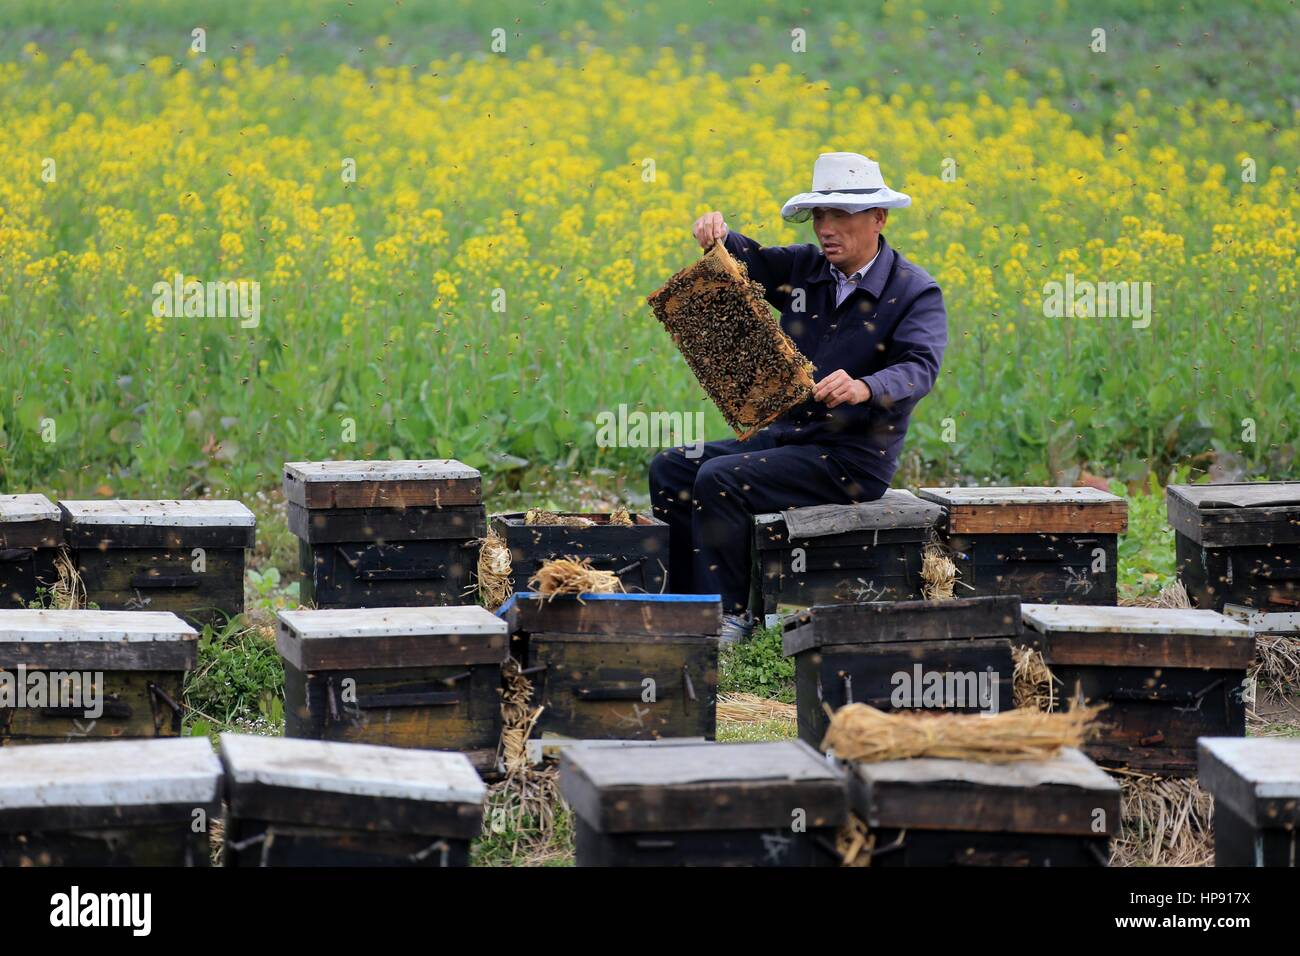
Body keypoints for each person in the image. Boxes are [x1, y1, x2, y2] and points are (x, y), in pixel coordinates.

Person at [648, 151, 948, 642]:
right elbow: (754, 262)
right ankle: (689, 601)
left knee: (721, 477)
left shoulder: (913, 292)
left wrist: (865, 386)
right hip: (787, 437)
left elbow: (920, 368)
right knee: (672, 468)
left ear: (878, 218)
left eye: (841, 216)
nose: (827, 228)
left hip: (850, 460)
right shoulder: (807, 269)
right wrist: (721, 239)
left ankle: (734, 616)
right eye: (821, 216)